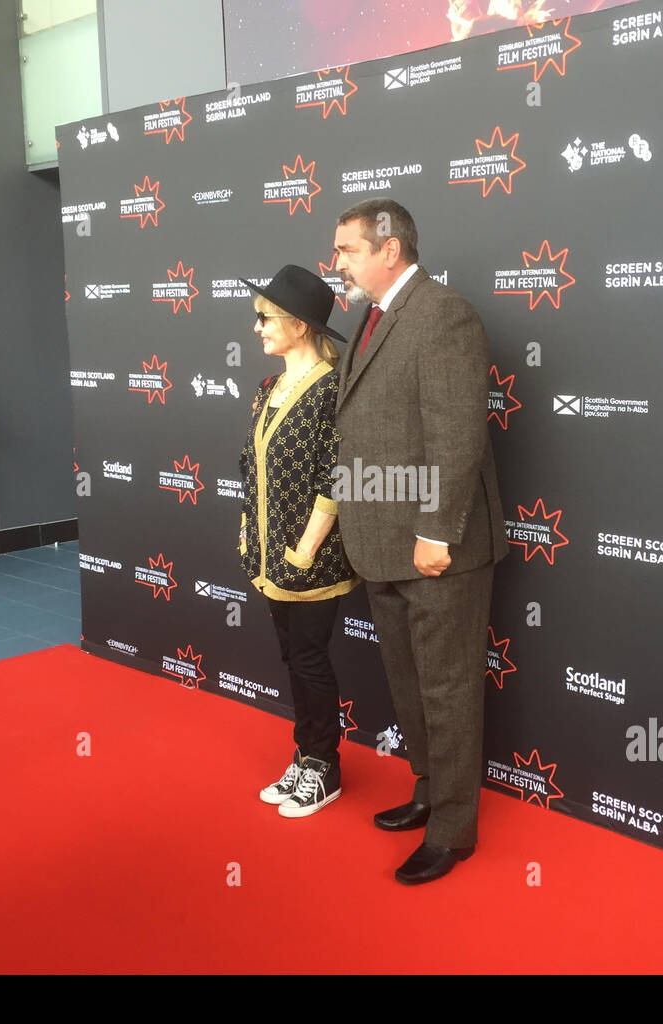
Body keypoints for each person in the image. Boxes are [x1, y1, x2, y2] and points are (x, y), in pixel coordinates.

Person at [331, 199, 506, 885]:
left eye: (346, 249)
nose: (337, 261)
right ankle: (430, 792)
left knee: (448, 684)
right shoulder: (370, 319)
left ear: (390, 250)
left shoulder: (443, 314)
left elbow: (457, 435)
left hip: (438, 548)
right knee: (409, 680)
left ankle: (455, 830)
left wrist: (436, 530)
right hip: (381, 539)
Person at [238, 265, 358, 818]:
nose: (256, 326)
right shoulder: (268, 387)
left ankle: (324, 768)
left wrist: (304, 552)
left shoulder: (332, 390)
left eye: (265, 318)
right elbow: (252, 471)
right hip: (270, 557)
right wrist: (251, 535)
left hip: (313, 561)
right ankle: (305, 754)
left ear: (300, 326)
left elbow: (336, 481)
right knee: (292, 655)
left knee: (309, 658)